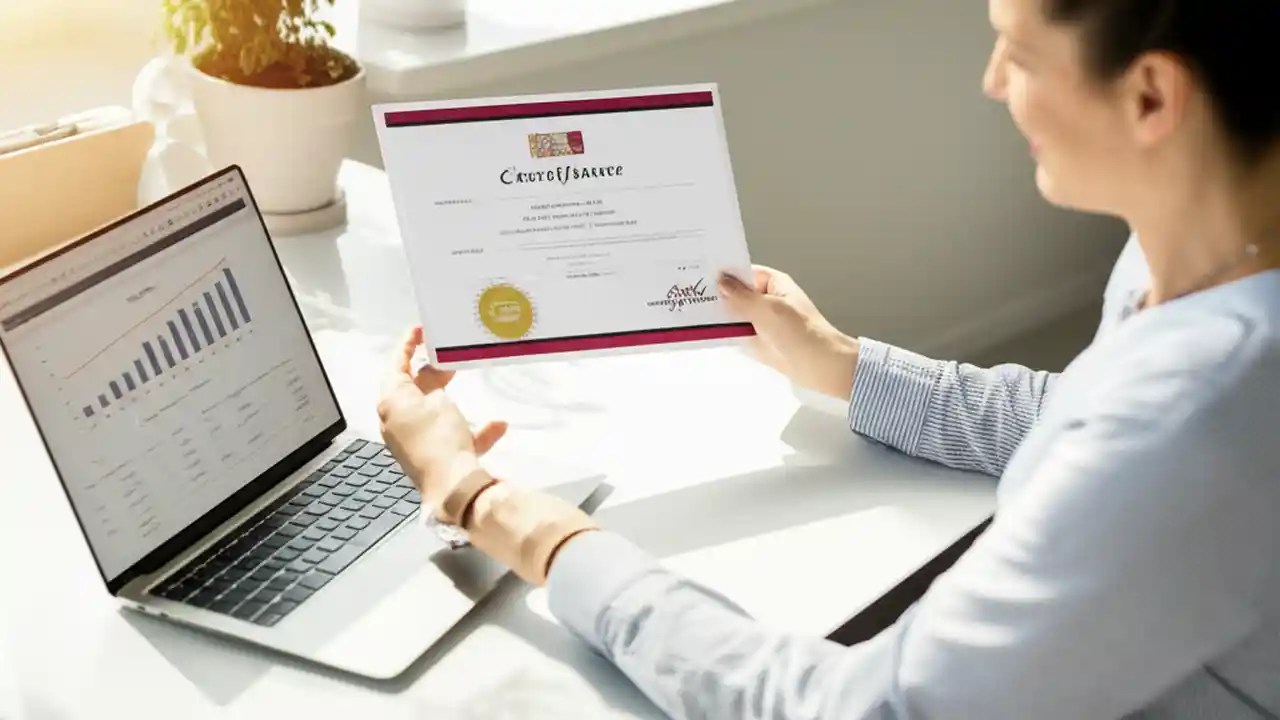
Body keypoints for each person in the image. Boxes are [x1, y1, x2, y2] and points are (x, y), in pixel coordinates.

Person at [376, 0, 1280, 716]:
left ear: (1152, 96)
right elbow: (1075, 410)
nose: (992, 81)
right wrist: (844, 365)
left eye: (1020, 52)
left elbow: (861, 708)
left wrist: (488, 503)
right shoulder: (1206, 250)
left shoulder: (1204, 410)